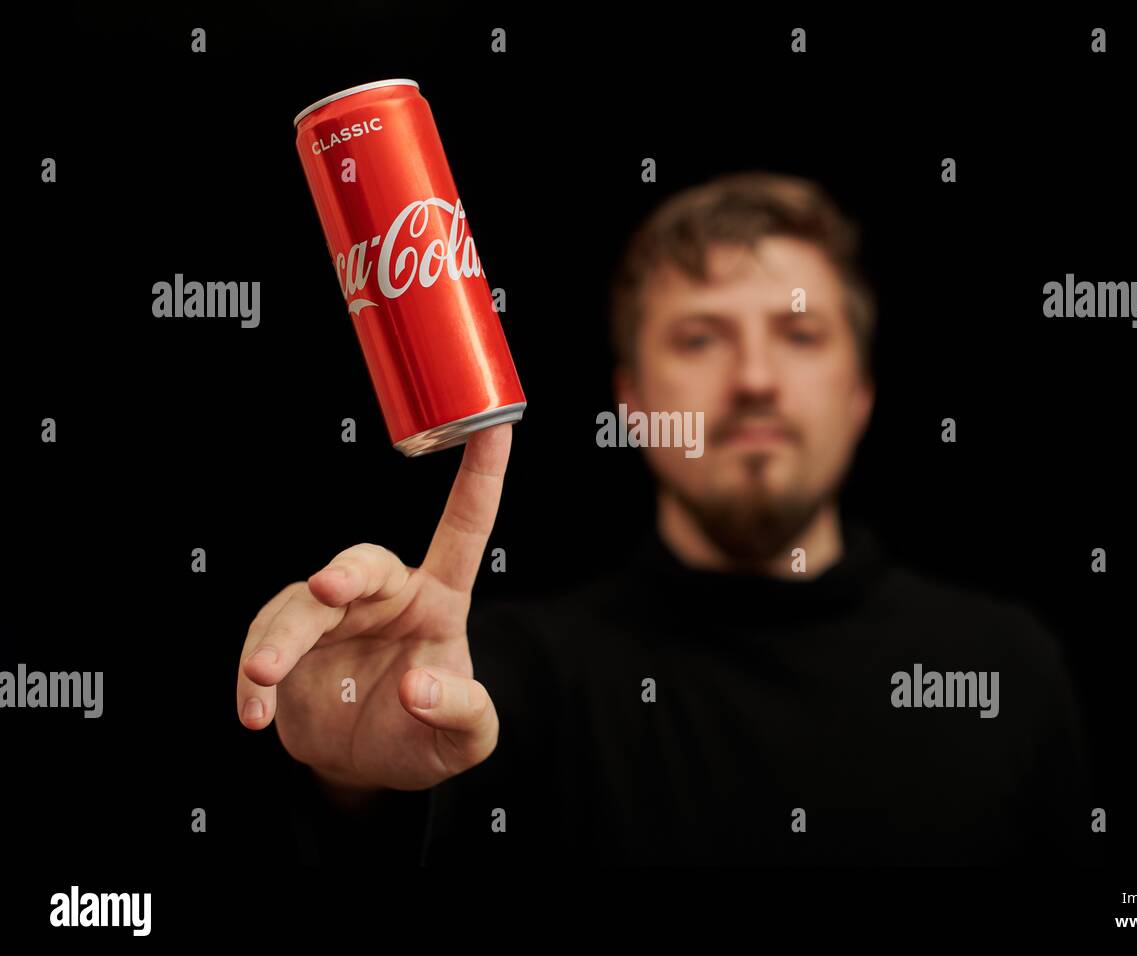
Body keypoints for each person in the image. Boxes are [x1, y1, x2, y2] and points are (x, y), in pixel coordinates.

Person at [236, 171, 1092, 866]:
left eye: (799, 334)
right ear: (632, 402)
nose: (755, 378)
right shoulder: (501, 681)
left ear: (861, 390)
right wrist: (352, 784)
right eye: (699, 338)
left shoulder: (1006, 669)